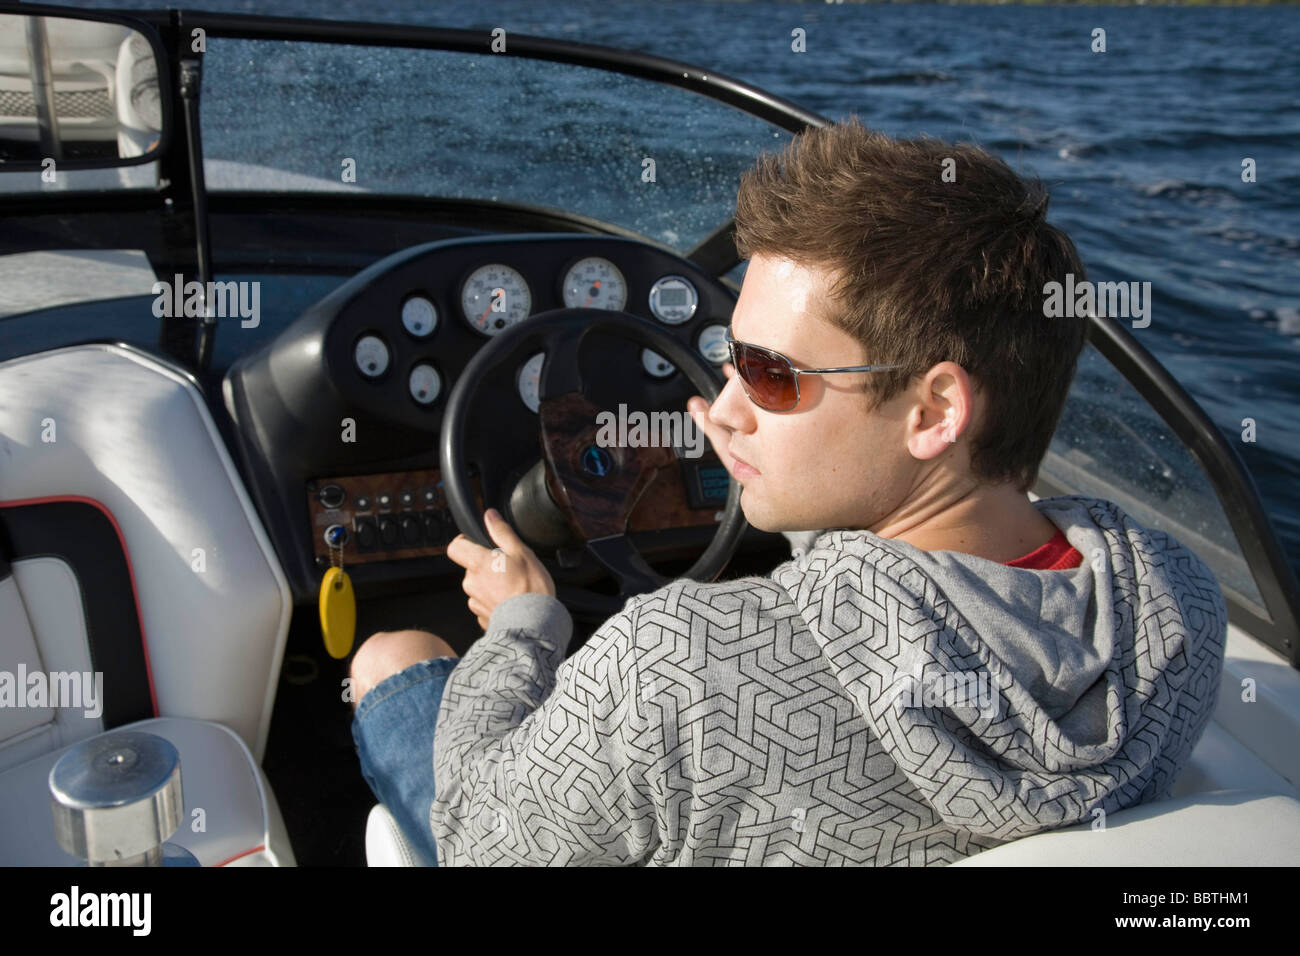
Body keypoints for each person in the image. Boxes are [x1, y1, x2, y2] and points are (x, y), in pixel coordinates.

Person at [349, 117, 1227, 866]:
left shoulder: (676, 668)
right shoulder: (1175, 605)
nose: (713, 413)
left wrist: (520, 626)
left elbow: (478, 841)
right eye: (729, 358)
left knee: (395, 654)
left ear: (934, 410)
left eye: (770, 375)